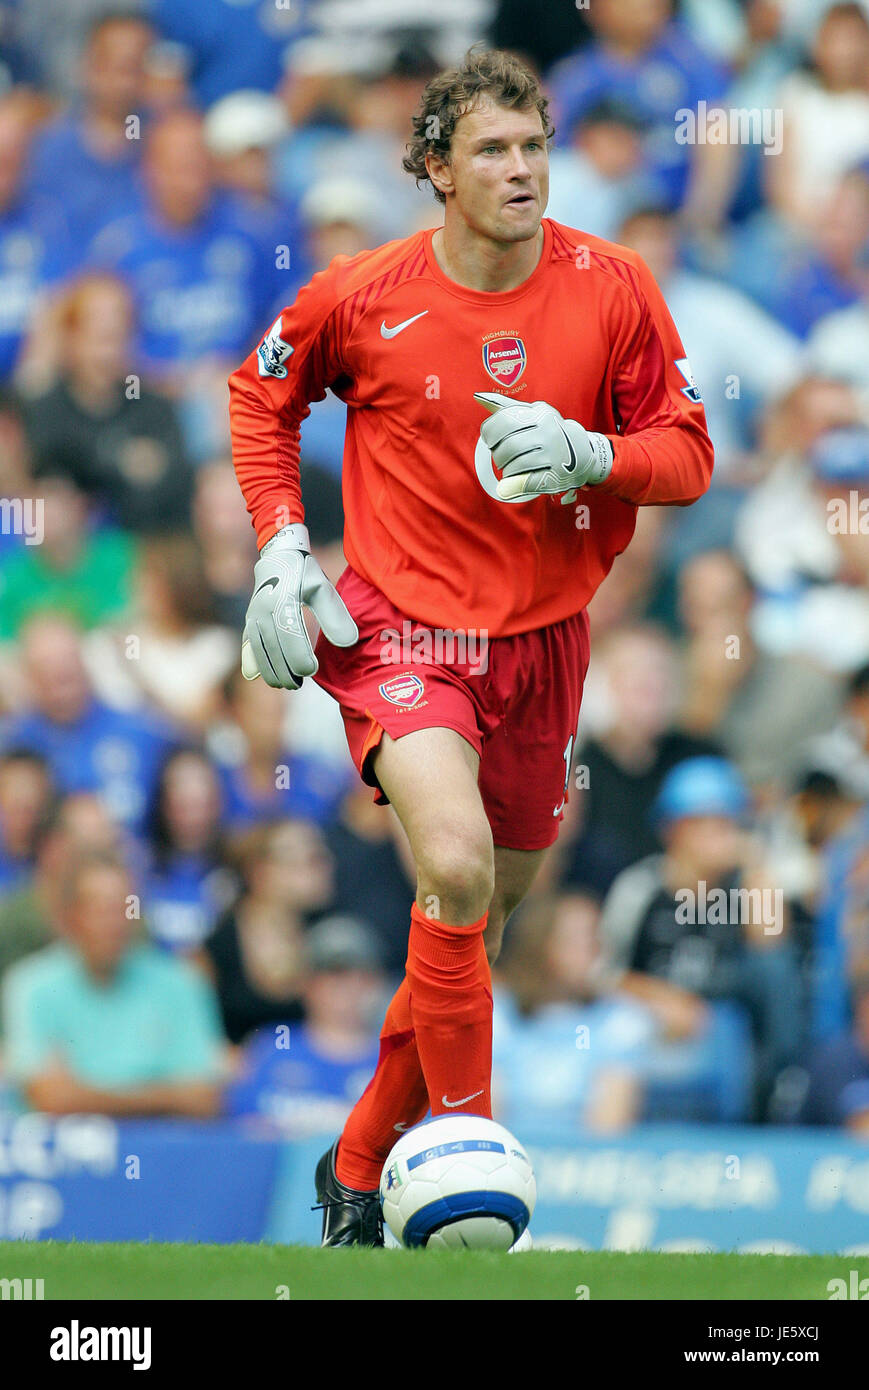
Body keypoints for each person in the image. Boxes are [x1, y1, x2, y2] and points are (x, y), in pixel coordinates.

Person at [228, 47, 713, 1246]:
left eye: (533, 146)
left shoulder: (612, 287)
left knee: (477, 929)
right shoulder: (360, 293)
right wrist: (283, 544)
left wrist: (594, 453)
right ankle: (471, 1162)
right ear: (435, 169)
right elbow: (259, 395)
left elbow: (688, 454)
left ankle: (354, 1161)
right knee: (450, 871)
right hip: (400, 630)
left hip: (543, 646)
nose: (520, 169)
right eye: (491, 150)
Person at [1, 851, 225, 1116]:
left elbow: (205, 1098)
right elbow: (49, 1098)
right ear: (70, 917)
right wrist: (167, 1095)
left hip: (164, 1151)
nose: (115, 923)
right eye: (100, 909)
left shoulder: (181, 983)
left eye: (125, 908)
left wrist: (84, 1094)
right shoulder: (31, 985)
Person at [225, 915, 383, 1136]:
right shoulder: (274, 1044)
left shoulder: (395, 1058)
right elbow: (241, 1124)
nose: (345, 986)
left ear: (375, 981)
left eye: (358, 974)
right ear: (306, 982)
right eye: (331, 973)